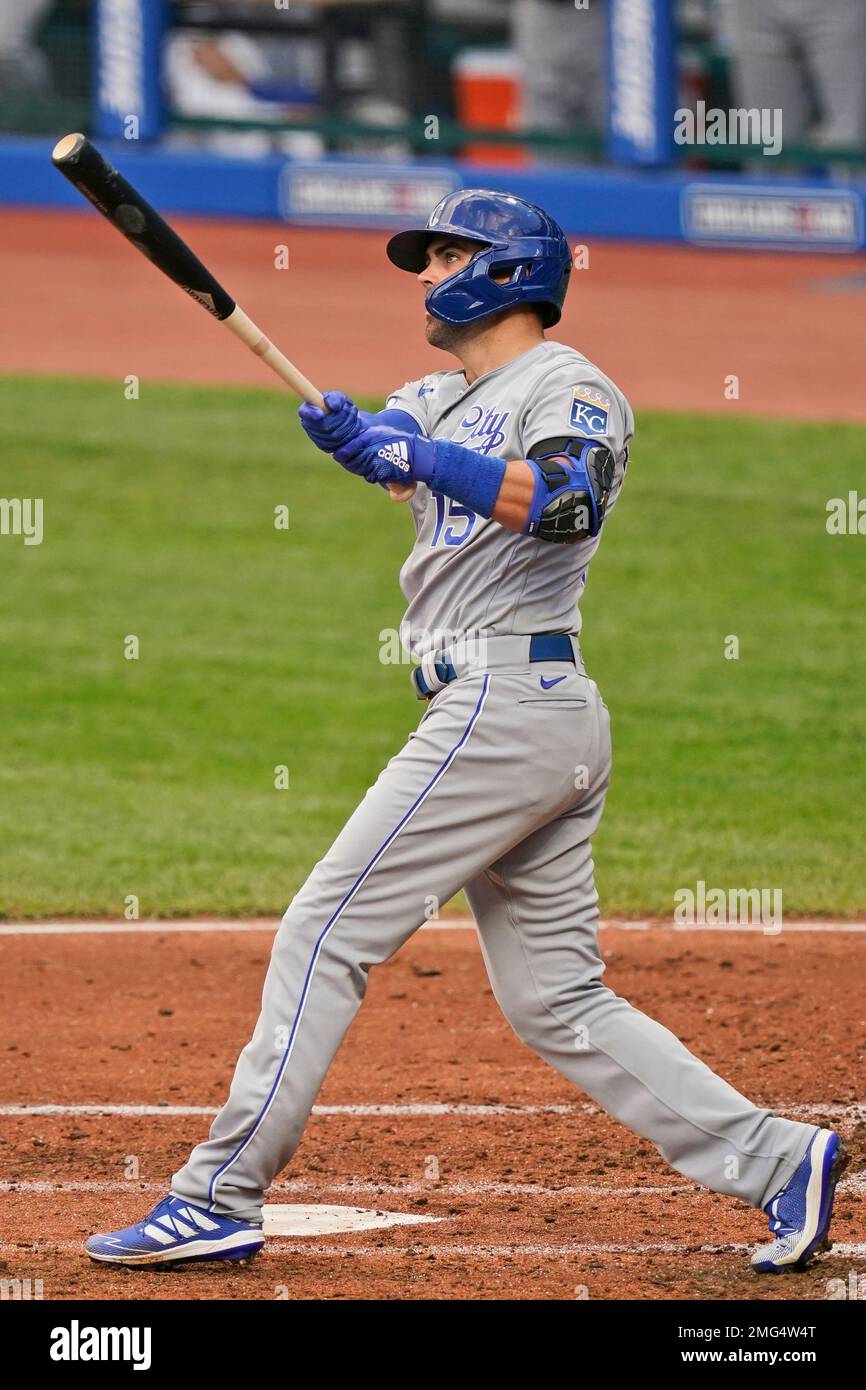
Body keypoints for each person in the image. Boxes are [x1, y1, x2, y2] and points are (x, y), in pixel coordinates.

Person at [84, 189, 846, 1274]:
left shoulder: (569, 387)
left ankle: (217, 1193)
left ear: (509, 270)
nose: (428, 270)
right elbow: (396, 445)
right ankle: (776, 1161)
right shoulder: (438, 392)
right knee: (557, 999)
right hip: (514, 718)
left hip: (509, 704)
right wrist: (362, 441)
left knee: (324, 930)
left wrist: (416, 459)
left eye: (447, 251)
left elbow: (563, 501)